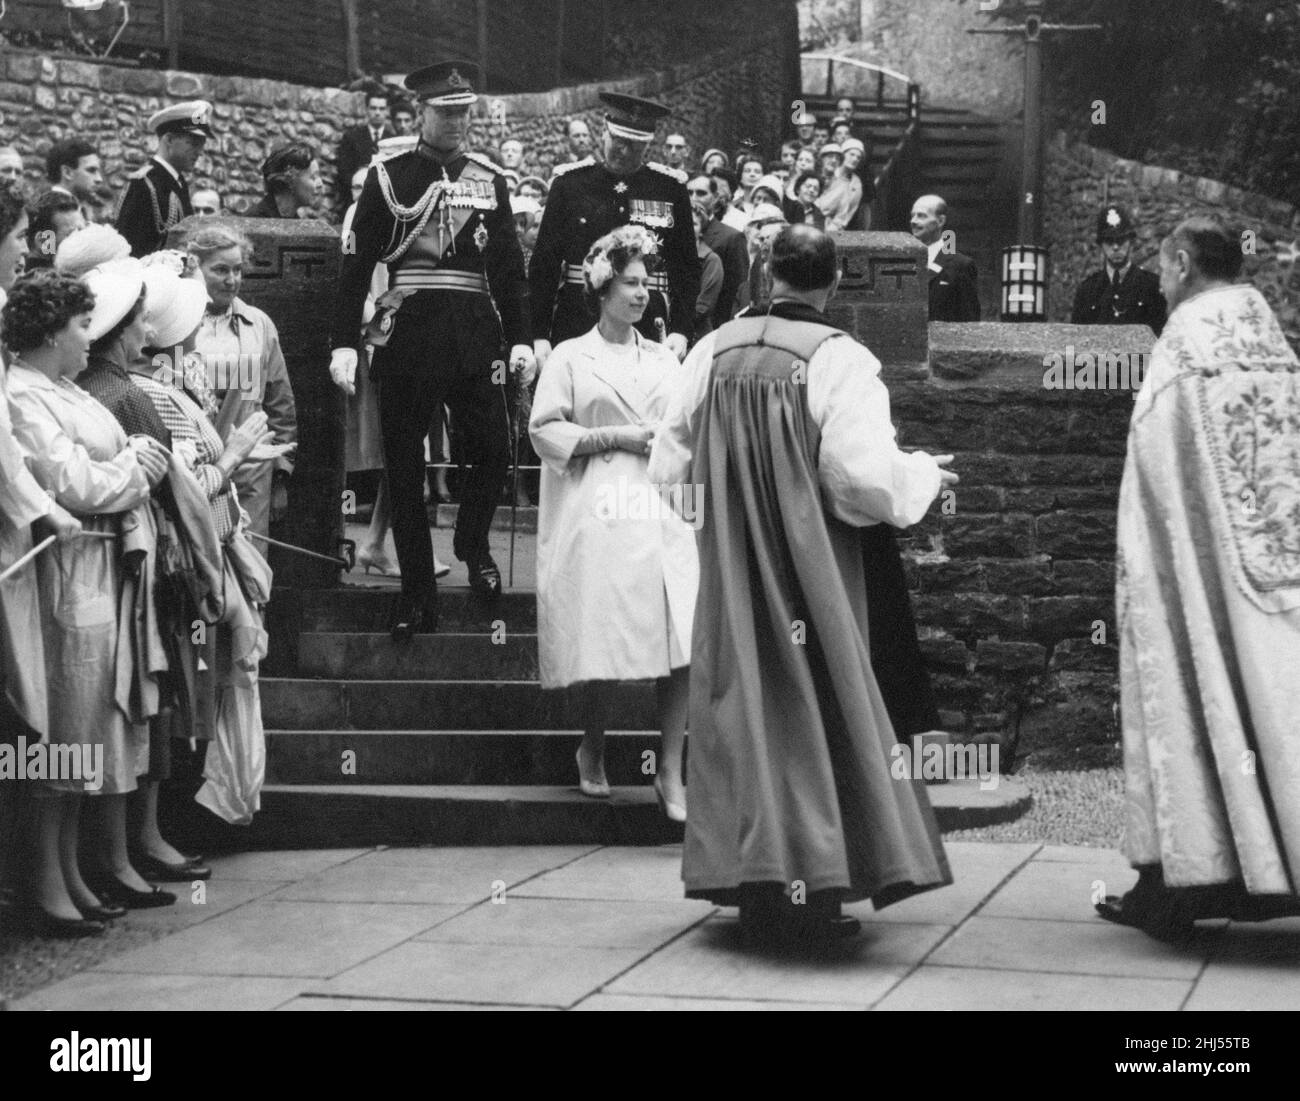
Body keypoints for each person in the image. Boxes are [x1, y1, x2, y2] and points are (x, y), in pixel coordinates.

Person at [649, 224, 957, 948]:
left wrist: (726, 517)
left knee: (741, 712)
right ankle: (813, 888)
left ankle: (753, 883)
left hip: (731, 570)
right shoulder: (840, 359)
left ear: (763, 272)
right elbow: (860, 479)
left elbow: (667, 470)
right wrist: (924, 475)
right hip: (814, 572)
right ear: (836, 281)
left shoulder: (710, 350)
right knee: (816, 708)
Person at [1097, 215, 1300, 939]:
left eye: (1161, 267)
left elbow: (1155, 457)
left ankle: (1180, 881)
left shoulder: (1185, 338)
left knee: (1187, 694)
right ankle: (1273, 870)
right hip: (1279, 573)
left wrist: (1143, 561)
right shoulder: (1269, 335)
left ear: (1182, 261)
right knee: (1276, 704)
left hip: (1193, 571)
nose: (1157, 280)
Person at [329, 60, 534, 636]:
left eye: (463, 112)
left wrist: (520, 339)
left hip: (474, 335)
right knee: (404, 462)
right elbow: (356, 269)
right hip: (408, 333)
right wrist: (344, 344)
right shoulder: (388, 177)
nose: (456, 122)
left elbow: (510, 272)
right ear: (420, 113)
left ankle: (474, 546)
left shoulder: (490, 180)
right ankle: (417, 590)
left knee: (494, 449)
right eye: (445, 113)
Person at [6, 270, 172, 935]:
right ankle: (45, 876)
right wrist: (135, 468)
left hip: (97, 564)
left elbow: (92, 464)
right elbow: (68, 478)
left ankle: (71, 867)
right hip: (62, 568)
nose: (89, 338)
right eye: (80, 326)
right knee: (61, 724)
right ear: (51, 332)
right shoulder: (20, 394)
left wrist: (125, 462)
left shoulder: (61, 387)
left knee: (89, 719)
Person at [530, 225, 695, 821]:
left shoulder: (665, 358)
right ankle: (593, 748)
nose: (641, 294)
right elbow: (543, 428)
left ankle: (671, 774)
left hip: (662, 505)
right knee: (607, 627)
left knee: (680, 633)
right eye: (629, 283)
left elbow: (687, 430)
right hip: (600, 504)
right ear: (601, 289)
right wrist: (612, 435)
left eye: (646, 283)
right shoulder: (572, 356)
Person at [75, 260, 212, 886]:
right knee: (151, 701)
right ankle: (141, 838)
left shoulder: (97, 389)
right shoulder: (127, 394)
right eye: (137, 321)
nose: (146, 330)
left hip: (118, 565)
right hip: (146, 567)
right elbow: (173, 485)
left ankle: (128, 843)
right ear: (123, 330)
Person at [0, 183, 83, 918]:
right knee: (31, 709)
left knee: (32, 712)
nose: (23, 249)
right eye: (18, 234)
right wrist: (45, 508)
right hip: (17, 547)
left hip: (19, 544)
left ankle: (35, 876)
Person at [531, 93, 700, 365]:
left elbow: (686, 268)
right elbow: (544, 265)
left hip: (645, 318)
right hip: (580, 314)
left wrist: (681, 329)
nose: (624, 151)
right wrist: (538, 333)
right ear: (604, 132)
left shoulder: (669, 189)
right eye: (619, 141)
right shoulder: (570, 184)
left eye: (635, 145)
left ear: (648, 144)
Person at [185, 222, 298, 538]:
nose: (232, 280)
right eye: (220, 270)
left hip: (250, 472)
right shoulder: (178, 325)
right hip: (196, 468)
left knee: (250, 569)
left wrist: (280, 476)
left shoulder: (258, 324)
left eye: (237, 270)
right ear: (196, 267)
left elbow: (280, 404)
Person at [115, 101, 214, 258]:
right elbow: (128, 247)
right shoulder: (144, 184)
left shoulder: (178, 182)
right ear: (169, 140)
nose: (200, 152)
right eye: (194, 143)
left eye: (201, 144)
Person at [1071, 204, 1167, 335]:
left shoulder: (1152, 287)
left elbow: (1160, 338)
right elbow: (1076, 340)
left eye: (1121, 240)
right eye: (1109, 242)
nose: (1115, 247)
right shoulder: (1087, 291)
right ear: (1101, 245)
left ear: (1130, 242)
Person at [688, 174, 746, 331]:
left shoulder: (731, 237)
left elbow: (737, 291)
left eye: (701, 193)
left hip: (713, 328)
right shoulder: (674, 235)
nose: (694, 198)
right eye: (689, 192)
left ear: (715, 198)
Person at [910, 193, 980, 322]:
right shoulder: (903, 260)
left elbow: (969, 320)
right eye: (912, 215)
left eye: (921, 216)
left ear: (941, 221)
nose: (913, 221)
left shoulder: (961, 265)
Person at [335, 87, 395, 208]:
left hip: (386, 204)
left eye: (381, 108)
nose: (377, 112)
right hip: (357, 201)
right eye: (373, 108)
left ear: (387, 111)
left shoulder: (393, 140)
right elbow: (344, 172)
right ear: (366, 109)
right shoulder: (351, 138)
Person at [251, 142, 324, 220]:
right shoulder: (257, 220)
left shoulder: (296, 224)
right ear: (290, 180)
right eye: (313, 177)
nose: (320, 184)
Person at [46, 138, 104, 224]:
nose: (99, 179)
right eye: (91, 170)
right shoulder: (49, 213)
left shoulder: (75, 209)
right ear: (67, 172)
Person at [819, 137, 871, 231]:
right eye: (852, 154)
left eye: (858, 157)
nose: (855, 159)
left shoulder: (857, 183)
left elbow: (850, 212)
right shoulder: (830, 172)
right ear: (843, 155)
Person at [25, 191, 86, 269]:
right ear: (44, 241)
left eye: (82, 231)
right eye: (73, 235)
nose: (83, 240)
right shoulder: (38, 279)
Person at [689, 200, 723, 341]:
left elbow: (703, 307)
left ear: (701, 228)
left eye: (694, 224)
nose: (688, 228)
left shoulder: (711, 260)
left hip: (697, 335)